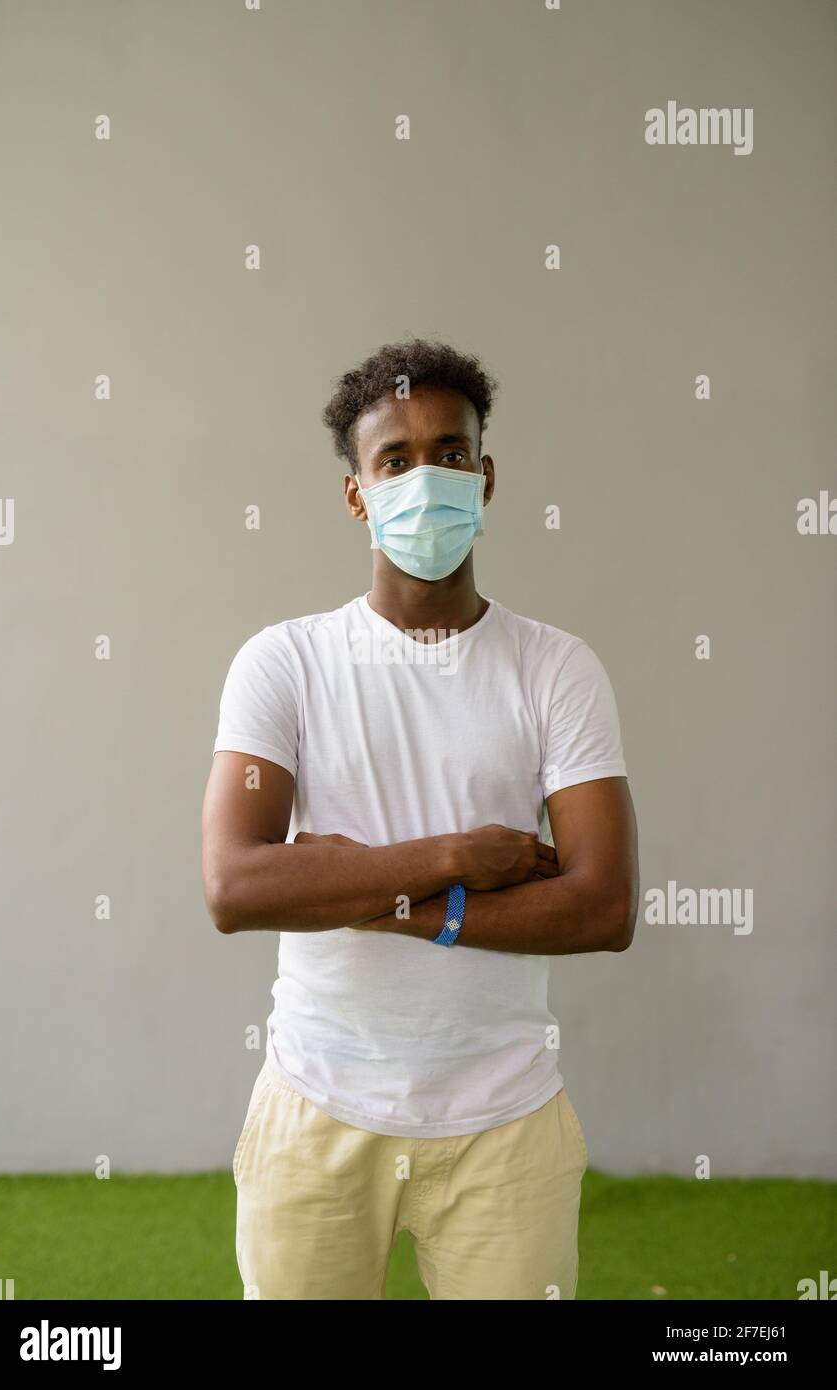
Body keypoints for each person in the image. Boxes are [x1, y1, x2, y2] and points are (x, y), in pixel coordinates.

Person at [201, 338, 639, 1300]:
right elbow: (235, 887)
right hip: (315, 1113)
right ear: (357, 495)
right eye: (395, 460)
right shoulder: (284, 663)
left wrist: (378, 898)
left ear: (484, 477)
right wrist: (453, 857)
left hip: (504, 1124)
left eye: (449, 452)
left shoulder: (555, 669)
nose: (426, 477)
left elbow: (603, 910)